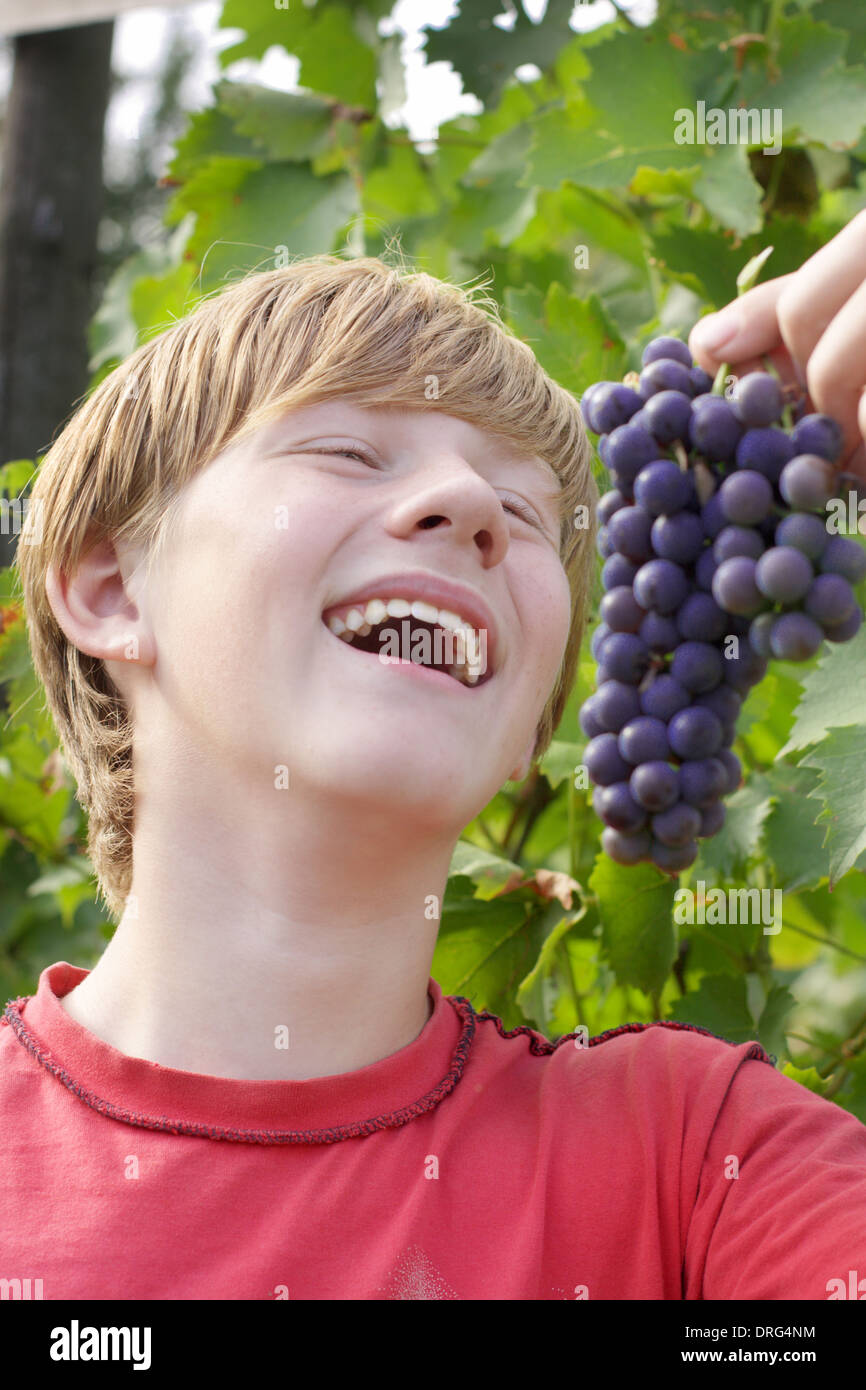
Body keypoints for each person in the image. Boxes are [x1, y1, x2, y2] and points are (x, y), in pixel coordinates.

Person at [2, 241, 865, 1302]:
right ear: (108, 587)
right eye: (350, 454)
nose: (464, 505)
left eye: (524, 515)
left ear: (529, 729)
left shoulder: (697, 1157)